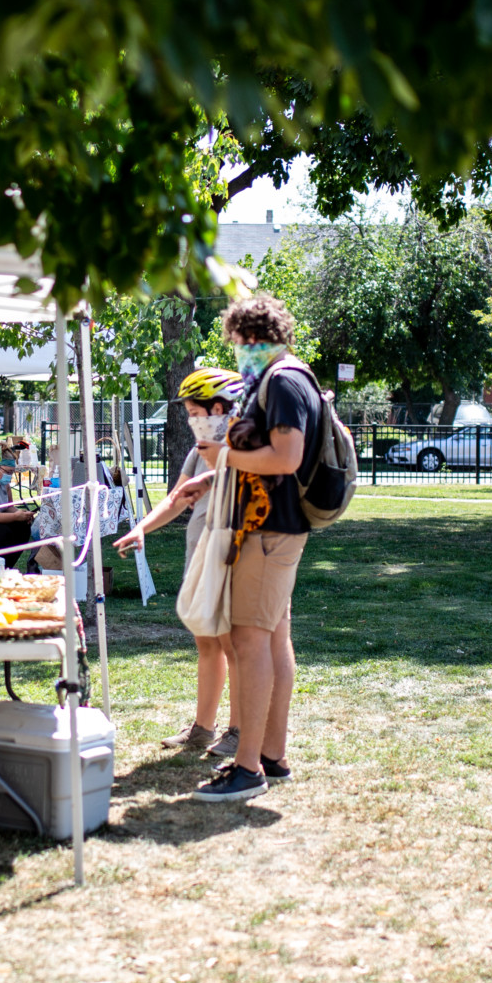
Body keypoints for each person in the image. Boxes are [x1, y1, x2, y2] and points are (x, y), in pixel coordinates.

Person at [191, 295, 320, 803]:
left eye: (240, 342)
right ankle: (272, 755)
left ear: (253, 336)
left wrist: (225, 456)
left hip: (270, 531)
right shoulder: (289, 377)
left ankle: (247, 768)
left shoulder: (283, 380)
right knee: (270, 641)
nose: (239, 351)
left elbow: (287, 457)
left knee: (249, 643)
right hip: (273, 530)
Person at [114, 368, 242, 754]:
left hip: (231, 555)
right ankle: (203, 728)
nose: (188, 419)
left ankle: (238, 730)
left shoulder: (244, 447)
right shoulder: (198, 450)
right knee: (206, 642)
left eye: (192, 411)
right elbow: (176, 499)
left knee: (232, 643)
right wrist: (142, 529)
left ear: (216, 408)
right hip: (199, 551)